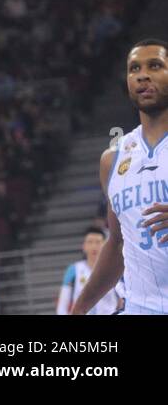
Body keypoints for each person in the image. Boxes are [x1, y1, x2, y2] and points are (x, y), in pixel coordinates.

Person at [72, 39, 168, 314]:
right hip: (139, 307)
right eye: (134, 68)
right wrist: (79, 309)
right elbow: (117, 243)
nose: (142, 74)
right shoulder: (112, 159)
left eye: (155, 65)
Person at [57, 228, 122, 315]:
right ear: (84, 246)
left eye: (98, 242)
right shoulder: (73, 270)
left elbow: (123, 298)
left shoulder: (114, 268)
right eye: (90, 242)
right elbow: (62, 306)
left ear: (105, 245)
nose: (94, 246)